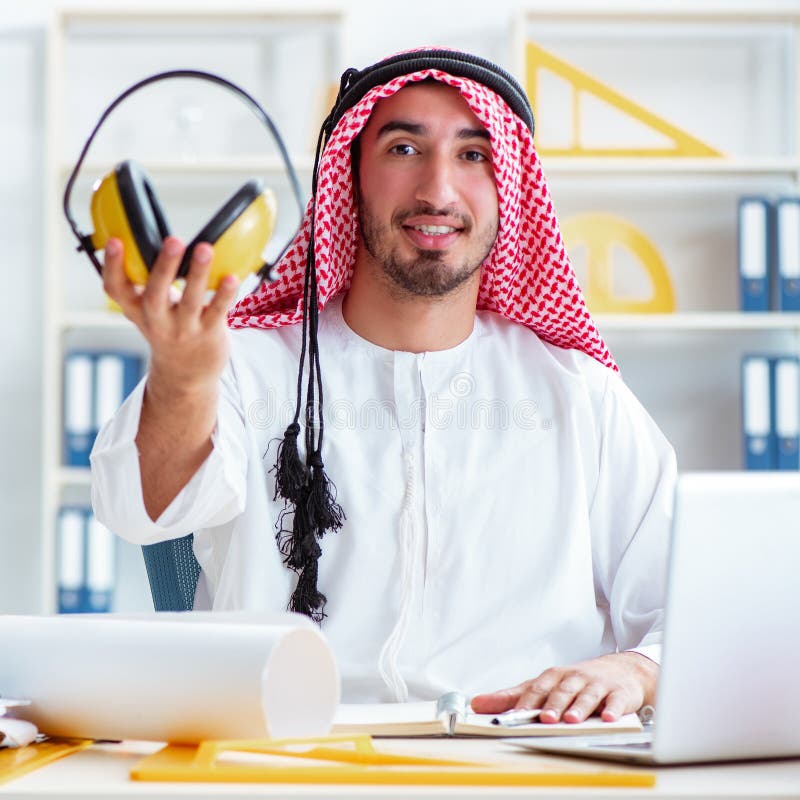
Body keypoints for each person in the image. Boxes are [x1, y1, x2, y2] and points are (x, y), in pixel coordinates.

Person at [91, 49, 676, 723]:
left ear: (510, 186)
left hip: (523, 756)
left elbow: (687, 601)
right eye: (403, 148)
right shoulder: (240, 367)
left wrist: (637, 668)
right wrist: (184, 378)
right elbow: (138, 509)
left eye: (474, 155)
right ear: (351, 177)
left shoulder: (580, 395)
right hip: (285, 758)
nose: (438, 190)